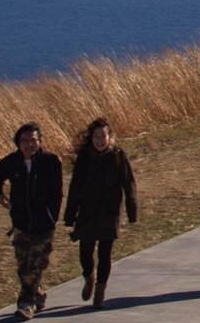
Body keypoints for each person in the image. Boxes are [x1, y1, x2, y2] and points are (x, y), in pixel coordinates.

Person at [0, 121, 64, 320]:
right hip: (20, 223)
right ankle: (37, 293)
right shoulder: (12, 162)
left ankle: (25, 304)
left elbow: (57, 193)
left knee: (35, 264)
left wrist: (51, 217)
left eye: (33, 140)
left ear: (40, 141)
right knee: (23, 267)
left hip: (44, 225)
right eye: (25, 141)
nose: (29, 144)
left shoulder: (51, 161)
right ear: (18, 143)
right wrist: (2, 201)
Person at [62, 116, 137, 310]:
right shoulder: (84, 158)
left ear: (110, 137)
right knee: (85, 254)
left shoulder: (118, 156)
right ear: (91, 138)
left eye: (103, 136)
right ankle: (89, 277)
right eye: (95, 136)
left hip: (110, 212)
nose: (99, 140)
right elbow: (75, 187)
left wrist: (132, 211)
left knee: (105, 253)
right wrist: (70, 215)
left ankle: (100, 293)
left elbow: (129, 184)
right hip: (88, 212)